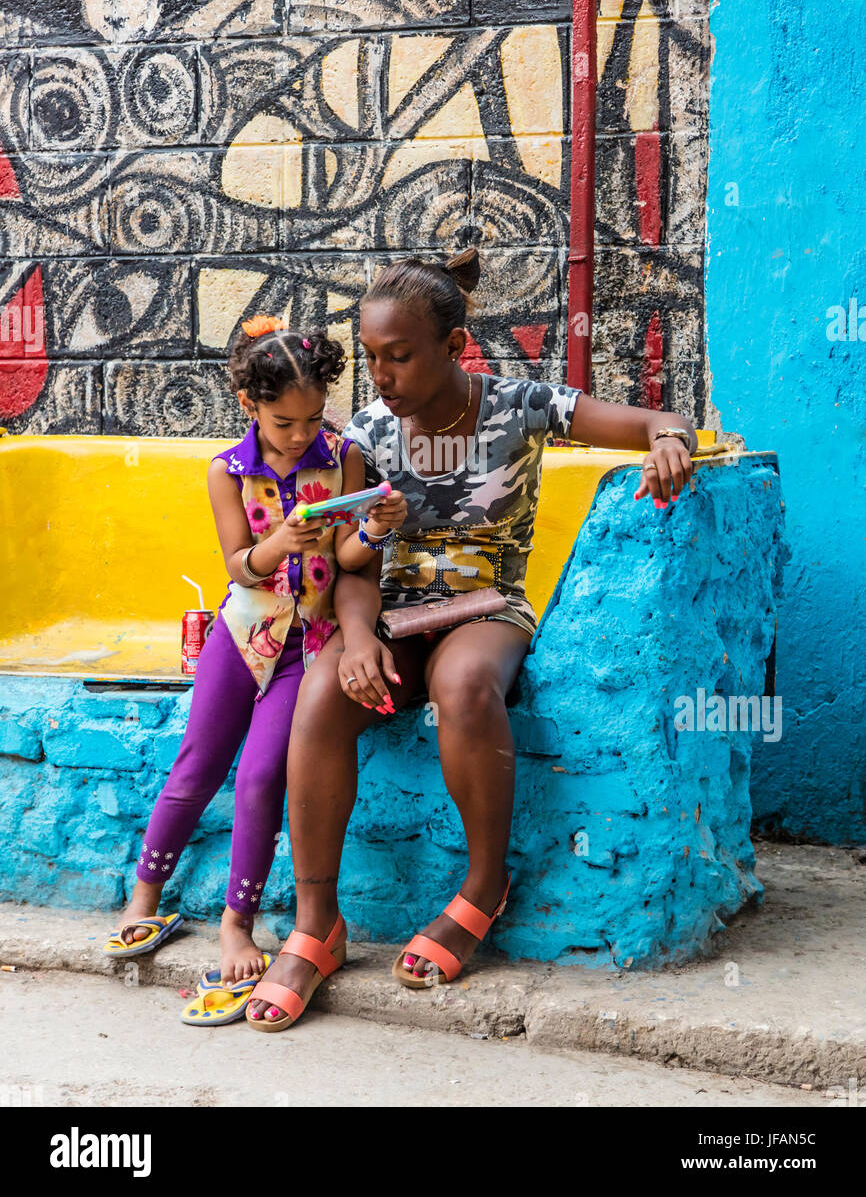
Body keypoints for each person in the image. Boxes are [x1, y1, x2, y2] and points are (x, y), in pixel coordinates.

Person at [245, 251, 698, 1030]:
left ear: (455, 347)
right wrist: (356, 640)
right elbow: (353, 562)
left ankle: (483, 887)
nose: (381, 375)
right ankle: (317, 924)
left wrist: (667, 439)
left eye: (400, 355)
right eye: (372, 357)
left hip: (486, 608)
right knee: (320, 694)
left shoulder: (520, 404)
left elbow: (655, 419)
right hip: (394, 612)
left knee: (463, 687)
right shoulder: (367, 433)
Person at [104, 317, 406, 992]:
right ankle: (145, 894)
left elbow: (351, 560)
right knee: (198, 765)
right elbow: (241, 565)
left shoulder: (342, 460)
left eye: (311, 418)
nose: (302, 435)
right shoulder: (227, 472)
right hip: (241, 637)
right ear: (250, 406)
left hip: (311, 645)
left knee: (262, 778)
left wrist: (373, 531)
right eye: (284, 422)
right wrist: (283, 544)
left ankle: (235, 922)